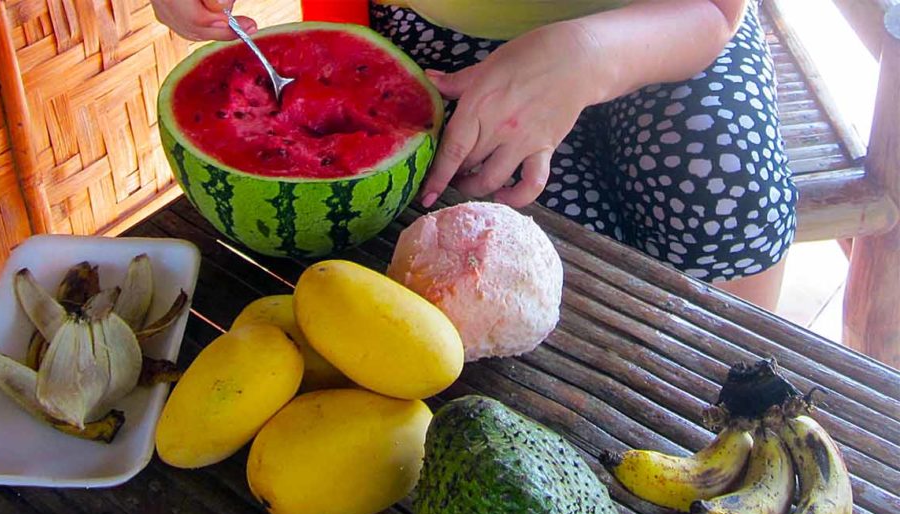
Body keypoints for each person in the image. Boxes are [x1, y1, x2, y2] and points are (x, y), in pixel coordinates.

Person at [150, 0, 796, 311]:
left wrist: (589, 57)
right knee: (513, 261)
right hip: (437, 42)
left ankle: (750, 398)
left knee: (727, 204)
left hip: (664, 26)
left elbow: (713, 9)